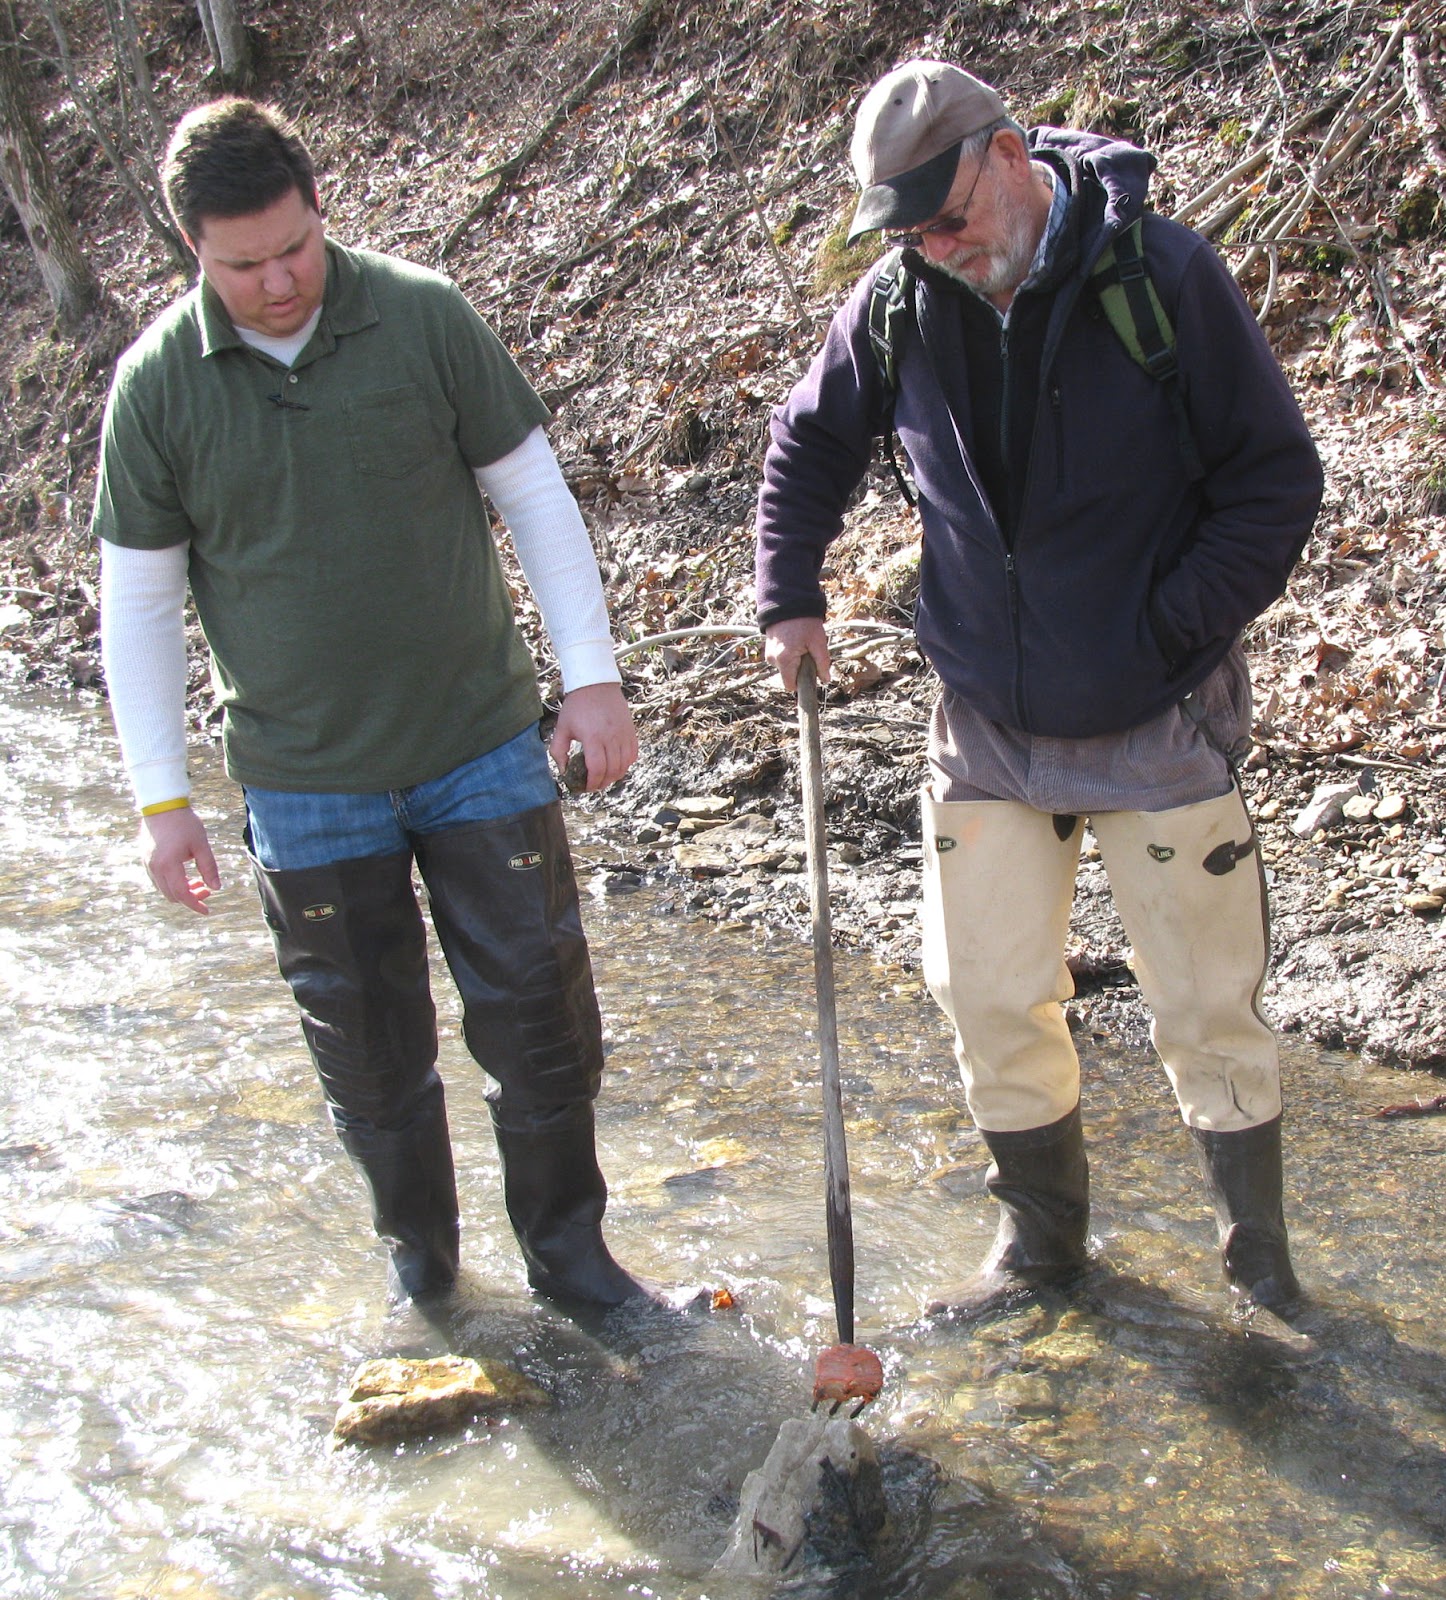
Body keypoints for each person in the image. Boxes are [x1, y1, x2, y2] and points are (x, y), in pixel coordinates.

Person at [755, 61, 1324, 1323]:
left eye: (948, 220)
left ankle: (1260, 1270)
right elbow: (809, 441)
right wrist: (788, 593)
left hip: (1158, 716)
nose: (935, 249)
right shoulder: (900, 300)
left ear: (1010, 157)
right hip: (987, 722)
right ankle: (1042, 1249)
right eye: (908, 233)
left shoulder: (1162, 278)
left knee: (1206, 1008)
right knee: (987, 993)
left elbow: (1277, 481)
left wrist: (1165, 626)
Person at [94, 97, 650, 1310]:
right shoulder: (156, 388)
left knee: (540, 1017)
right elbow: (136, 605)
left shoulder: (422, 314)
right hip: (303, 782)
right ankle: (428, 1279)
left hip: (480, 743)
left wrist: (591, 679)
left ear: (317, 207)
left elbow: (534, 495)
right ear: (192, 246)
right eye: (244, 265)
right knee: (368, 1053)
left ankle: (573, 1260)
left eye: (295, 247)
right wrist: (161, 802)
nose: (279, 281)